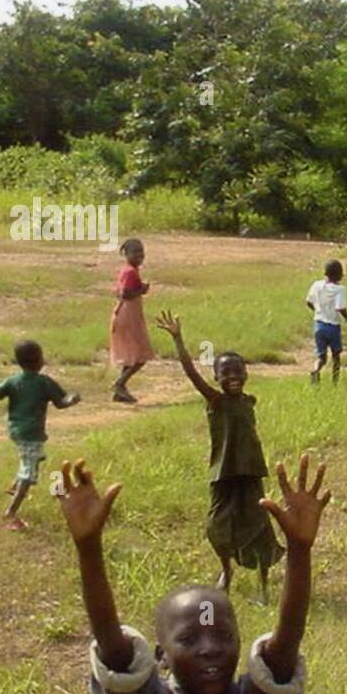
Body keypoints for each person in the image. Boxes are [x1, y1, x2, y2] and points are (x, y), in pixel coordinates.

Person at [57, 454, 328, 694]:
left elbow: (287, 641)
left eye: (224, 636)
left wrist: (300, 550)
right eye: (188, 639)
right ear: (160, 656)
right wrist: (88, 547)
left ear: (241, 644)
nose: (210, 648)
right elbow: (113, 649)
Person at [155, 309, 282, 600]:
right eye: (226, 373)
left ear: (247, 374)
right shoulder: (216, 400)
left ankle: (263, 585)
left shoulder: (249, 401)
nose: (233, 377)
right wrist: (178, 339)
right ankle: (227, 568)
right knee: (216, 526)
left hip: (250, 472)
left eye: (238, 372)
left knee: (260, 526)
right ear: (216, 377)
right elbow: (191, 372)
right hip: (223, 472)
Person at [0, 339, 81, 531]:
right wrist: (73, 400)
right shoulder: (43, 382)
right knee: (29, 475)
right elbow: (61, 403)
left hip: (16, 430)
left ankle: (15, 485)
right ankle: (11, 512)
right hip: (31, 433)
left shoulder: (13, 380)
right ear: (39, 360)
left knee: (35, 457)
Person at [110, 238, 155, 403]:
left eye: (141, 252)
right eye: (135, 252)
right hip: (128, 316)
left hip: (127, 314)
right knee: (141, 355)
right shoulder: (129, 272)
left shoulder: (129, 271)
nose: (139, 256)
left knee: (131, 354)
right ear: (126, 254)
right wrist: (141, 290)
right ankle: (119, 384)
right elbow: (125, 293)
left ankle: (120, 392)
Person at [305, 259, 347, 384]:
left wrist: (318, 311)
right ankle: (335, 383)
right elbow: (340, 308)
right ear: (339, 274)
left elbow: (308, 302)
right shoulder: (340, 289)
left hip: (319, 325)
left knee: (321, 357)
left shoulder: (317, 285)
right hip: (333, 326)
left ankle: (315, 370)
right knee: (336, 357)